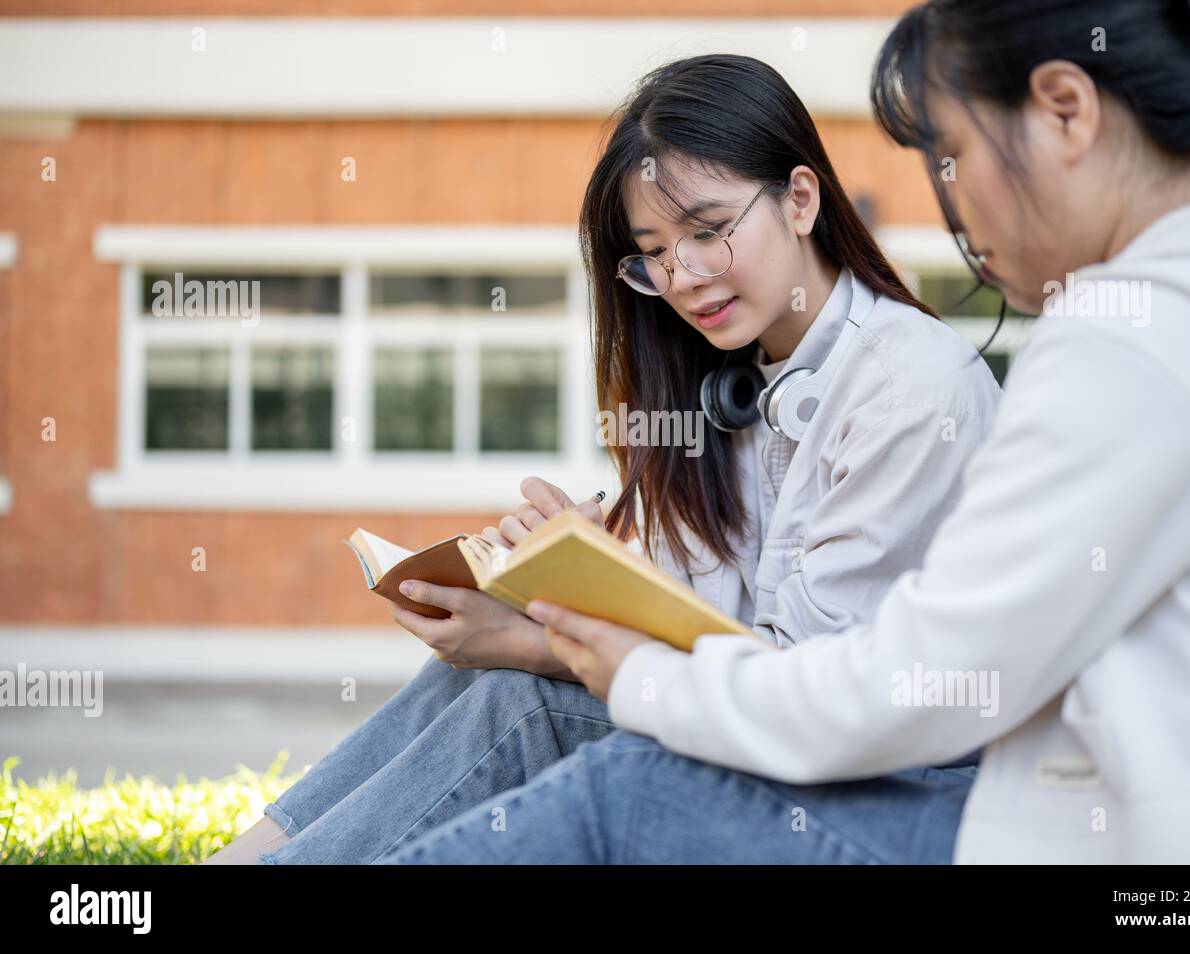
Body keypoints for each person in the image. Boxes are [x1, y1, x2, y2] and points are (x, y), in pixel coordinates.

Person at [385, 0, 1190, 865]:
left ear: (1065, 110)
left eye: (949, 153)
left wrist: (608, 662)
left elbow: (909, 684)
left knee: (618, 786)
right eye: (655, 254)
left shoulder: (1137, 342)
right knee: (525, 711)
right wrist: (591, 598)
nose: (957, 205)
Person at [205, 53, 1000, 865]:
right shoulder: (724, 385)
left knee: (524, 703)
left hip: (896, 789)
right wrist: (567, 581)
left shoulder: (908, 390)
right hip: (766, 737)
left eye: (708, 231)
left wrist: (545, 643)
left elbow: (809, 694)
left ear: (800, 199)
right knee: (488, 682)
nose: (681, 277)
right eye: (653, 251)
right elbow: (697, 630)